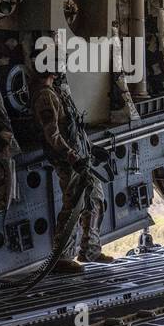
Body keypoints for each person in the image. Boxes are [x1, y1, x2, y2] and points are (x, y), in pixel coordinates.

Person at [28, 68, 113, 274]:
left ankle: (90, 249)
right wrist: (71, 155)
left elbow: (73, 126)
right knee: (74, 204)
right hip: (69, 161)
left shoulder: (57, 92)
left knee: (95, 197)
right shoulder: (45, 96)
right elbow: (52, 134)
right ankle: (62, 257)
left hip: (81, 157)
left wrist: (89, 149)